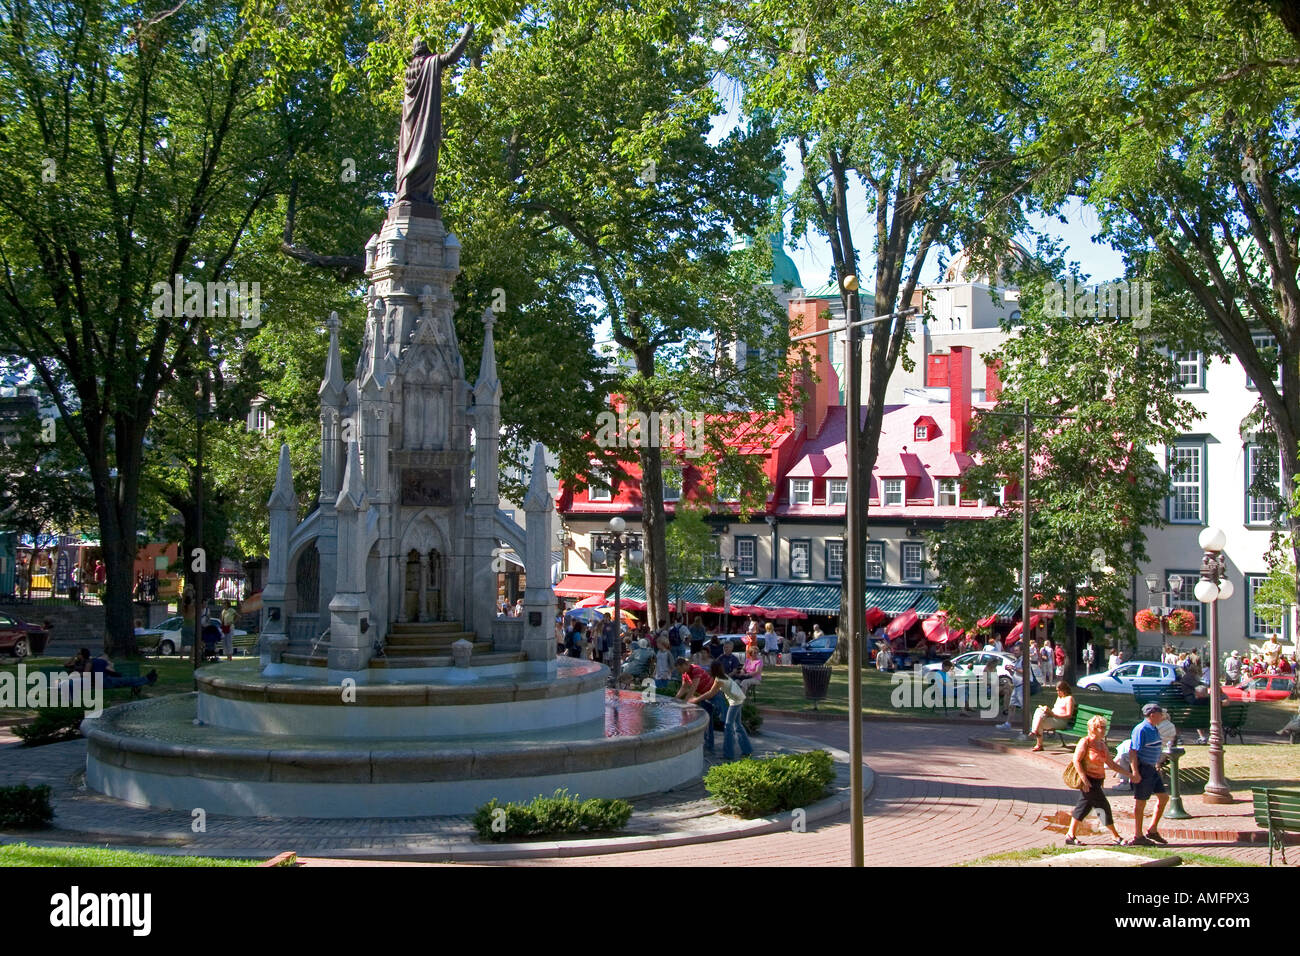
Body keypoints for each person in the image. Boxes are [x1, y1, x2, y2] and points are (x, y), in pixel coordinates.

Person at [1065, 714, 1129, 846]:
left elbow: (1111, 764)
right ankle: (1116, 836)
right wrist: (1085, 780)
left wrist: (1129, 774)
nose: (1104, 730)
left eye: (1105, 727)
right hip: (1089, 781)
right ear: (1093, 728)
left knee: (1083, 807)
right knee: (1103, 807)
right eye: (1101, 727)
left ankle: (1070, 835)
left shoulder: (1102, 745)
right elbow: (1076, 761)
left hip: (1098, 780)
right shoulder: (1085, 742)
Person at [1126, 703, 1172, 846]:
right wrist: (1135, 772)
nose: (1163, 716)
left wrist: (1156, 764)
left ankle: (1152, 829)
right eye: (1160, 714)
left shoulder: (1154, 728)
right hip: (1143, 769)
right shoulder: (1141, 729)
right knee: (1141, 802)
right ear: (1152, 715)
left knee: (1163, 797)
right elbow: (1133, 751)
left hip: (1152, 768)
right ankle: (1138, 836)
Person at [689, 659, 753, 761]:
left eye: (710, 669)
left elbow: (710, 693)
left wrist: (695, 699)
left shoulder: (719, 680)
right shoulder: (725, 675)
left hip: (735, 702)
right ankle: (747, 750)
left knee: (728, 726)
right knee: (738, 725)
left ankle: (729, 754)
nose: (708, 670)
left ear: (713, 670)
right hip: (739, 699)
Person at [675, 657, 718, 751]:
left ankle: (714, 747)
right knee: (705, 721)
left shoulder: (695, 669)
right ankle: (707, 745)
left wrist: (684, 702)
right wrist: (675, 698)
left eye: (679, 669)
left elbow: (693, 687)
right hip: (704, 696)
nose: (679, 671)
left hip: (714, 695)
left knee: (716, 721)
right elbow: (684, 687)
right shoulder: (685, 673)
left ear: (684, 665)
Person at [1030, 681, 1077, 751]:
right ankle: (1035, 732)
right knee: (1039, 710)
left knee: (1039, 722)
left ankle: (1037, 739)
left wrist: (1054, 715)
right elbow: (1055, 710)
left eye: (1059, 691)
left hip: (1061, 721)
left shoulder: (1069, 699)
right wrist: (1049, 712)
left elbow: (1069, 715)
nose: (1058, 692)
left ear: (1064, 689)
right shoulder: (1059, 698)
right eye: (1057, 691)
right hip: (1053, 718)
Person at [90, 652, 158, 692]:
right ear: (103, 657)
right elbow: (113, 672)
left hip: (101, 682)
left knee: (128, 680)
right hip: (105, 682)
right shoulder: (102, 661)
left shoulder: (93, 661)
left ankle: (147, 678)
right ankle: (147, 679)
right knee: (128, 680)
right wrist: (110, 664)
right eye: (107, 658)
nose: (108, 659)